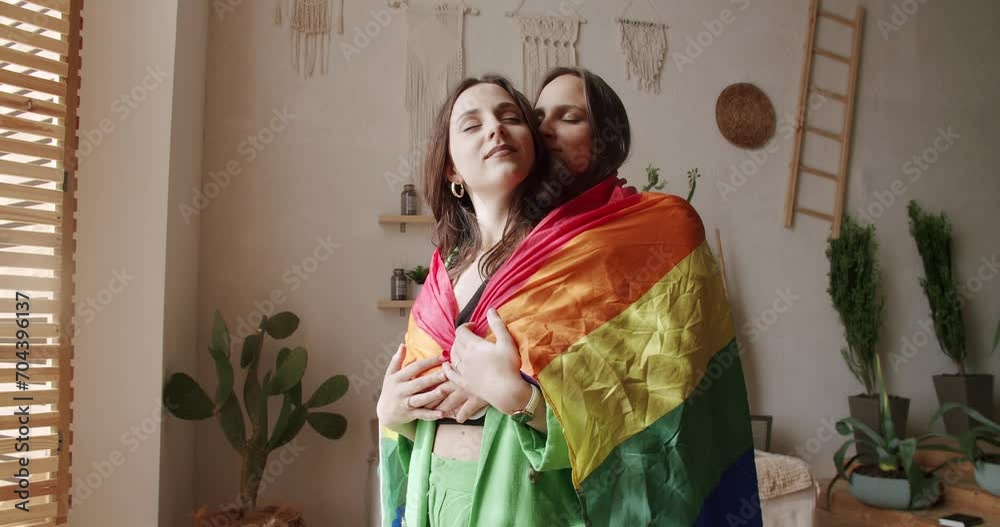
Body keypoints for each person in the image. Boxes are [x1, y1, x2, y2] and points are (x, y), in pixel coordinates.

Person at [380, 68, 761, 526]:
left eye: (510, 116)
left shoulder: (578, 252)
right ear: (451, 168)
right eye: (471, 124)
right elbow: (413, 399)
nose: (498, 129)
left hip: (532, 504)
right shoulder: (443, 272)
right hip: (436, 501)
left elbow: (637, 402)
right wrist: (392, 411)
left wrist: (518, 397)